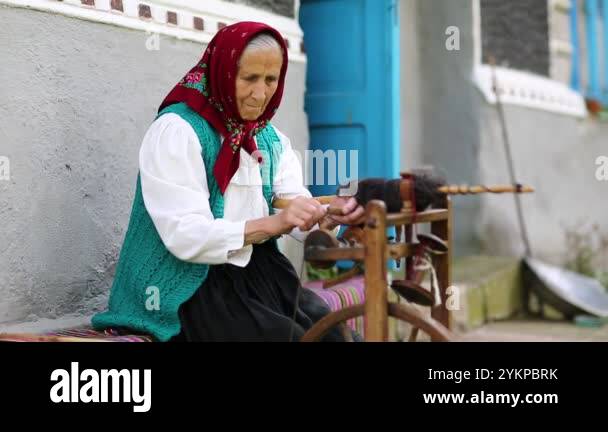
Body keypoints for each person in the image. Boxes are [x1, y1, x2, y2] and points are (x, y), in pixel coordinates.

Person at [92, 21, 365, 342]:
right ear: (222, 72)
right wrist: (276, 223)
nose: (260, 93)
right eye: (248, 78)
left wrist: (322, 217)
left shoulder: (270, 140)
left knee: (330, 334)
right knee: (286, 337)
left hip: (257, 273)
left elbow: (292, 201)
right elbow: (185, 236)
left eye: (270, 80)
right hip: (185, 286)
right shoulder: (177, 132)